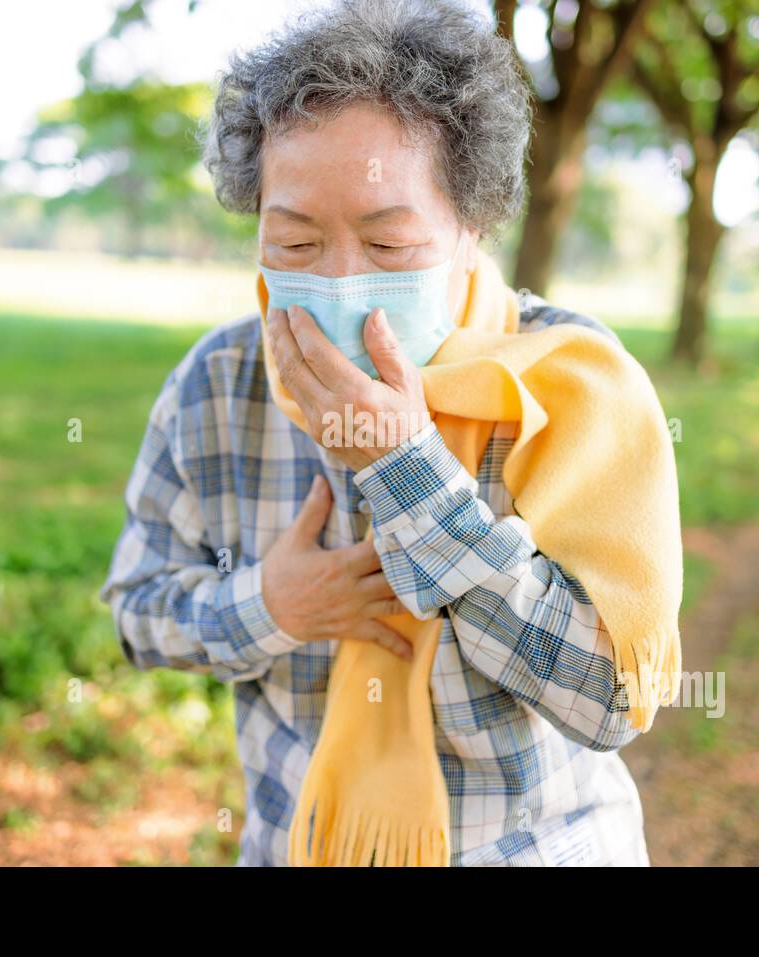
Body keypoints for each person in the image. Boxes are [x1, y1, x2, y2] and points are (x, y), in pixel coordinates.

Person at [101, 0, 678, 866]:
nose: (340, 281)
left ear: (470, 227)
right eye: (294, 241)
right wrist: (271, 604)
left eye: (387, 241)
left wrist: (407, 470)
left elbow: (609, 698)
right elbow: (137, 613)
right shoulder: (218, 385)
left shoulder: (578, 389)